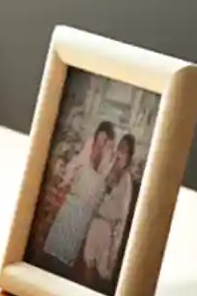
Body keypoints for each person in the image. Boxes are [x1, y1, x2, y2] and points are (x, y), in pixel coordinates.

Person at [42, 121, 116, 268]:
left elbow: (99, 200)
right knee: (51, 257)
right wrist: (64, 180)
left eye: (105, 143)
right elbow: (66, 176)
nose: (100, 147)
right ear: (94, 139)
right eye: (99, 141)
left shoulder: (105, 171)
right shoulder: (83, 158)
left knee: (65, 263)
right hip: (68, 213)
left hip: (81, 222)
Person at [81, 134, 137, 286]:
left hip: (108, 229)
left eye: (124, 150)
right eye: (119, 148)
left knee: (102, 271)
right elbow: (94, 193)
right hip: (95, 222)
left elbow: (122, 213)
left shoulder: (126, 180)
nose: (120, 152)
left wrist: (115, 237)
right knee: (88, 262)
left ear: (129, 155)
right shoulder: (107, 169)